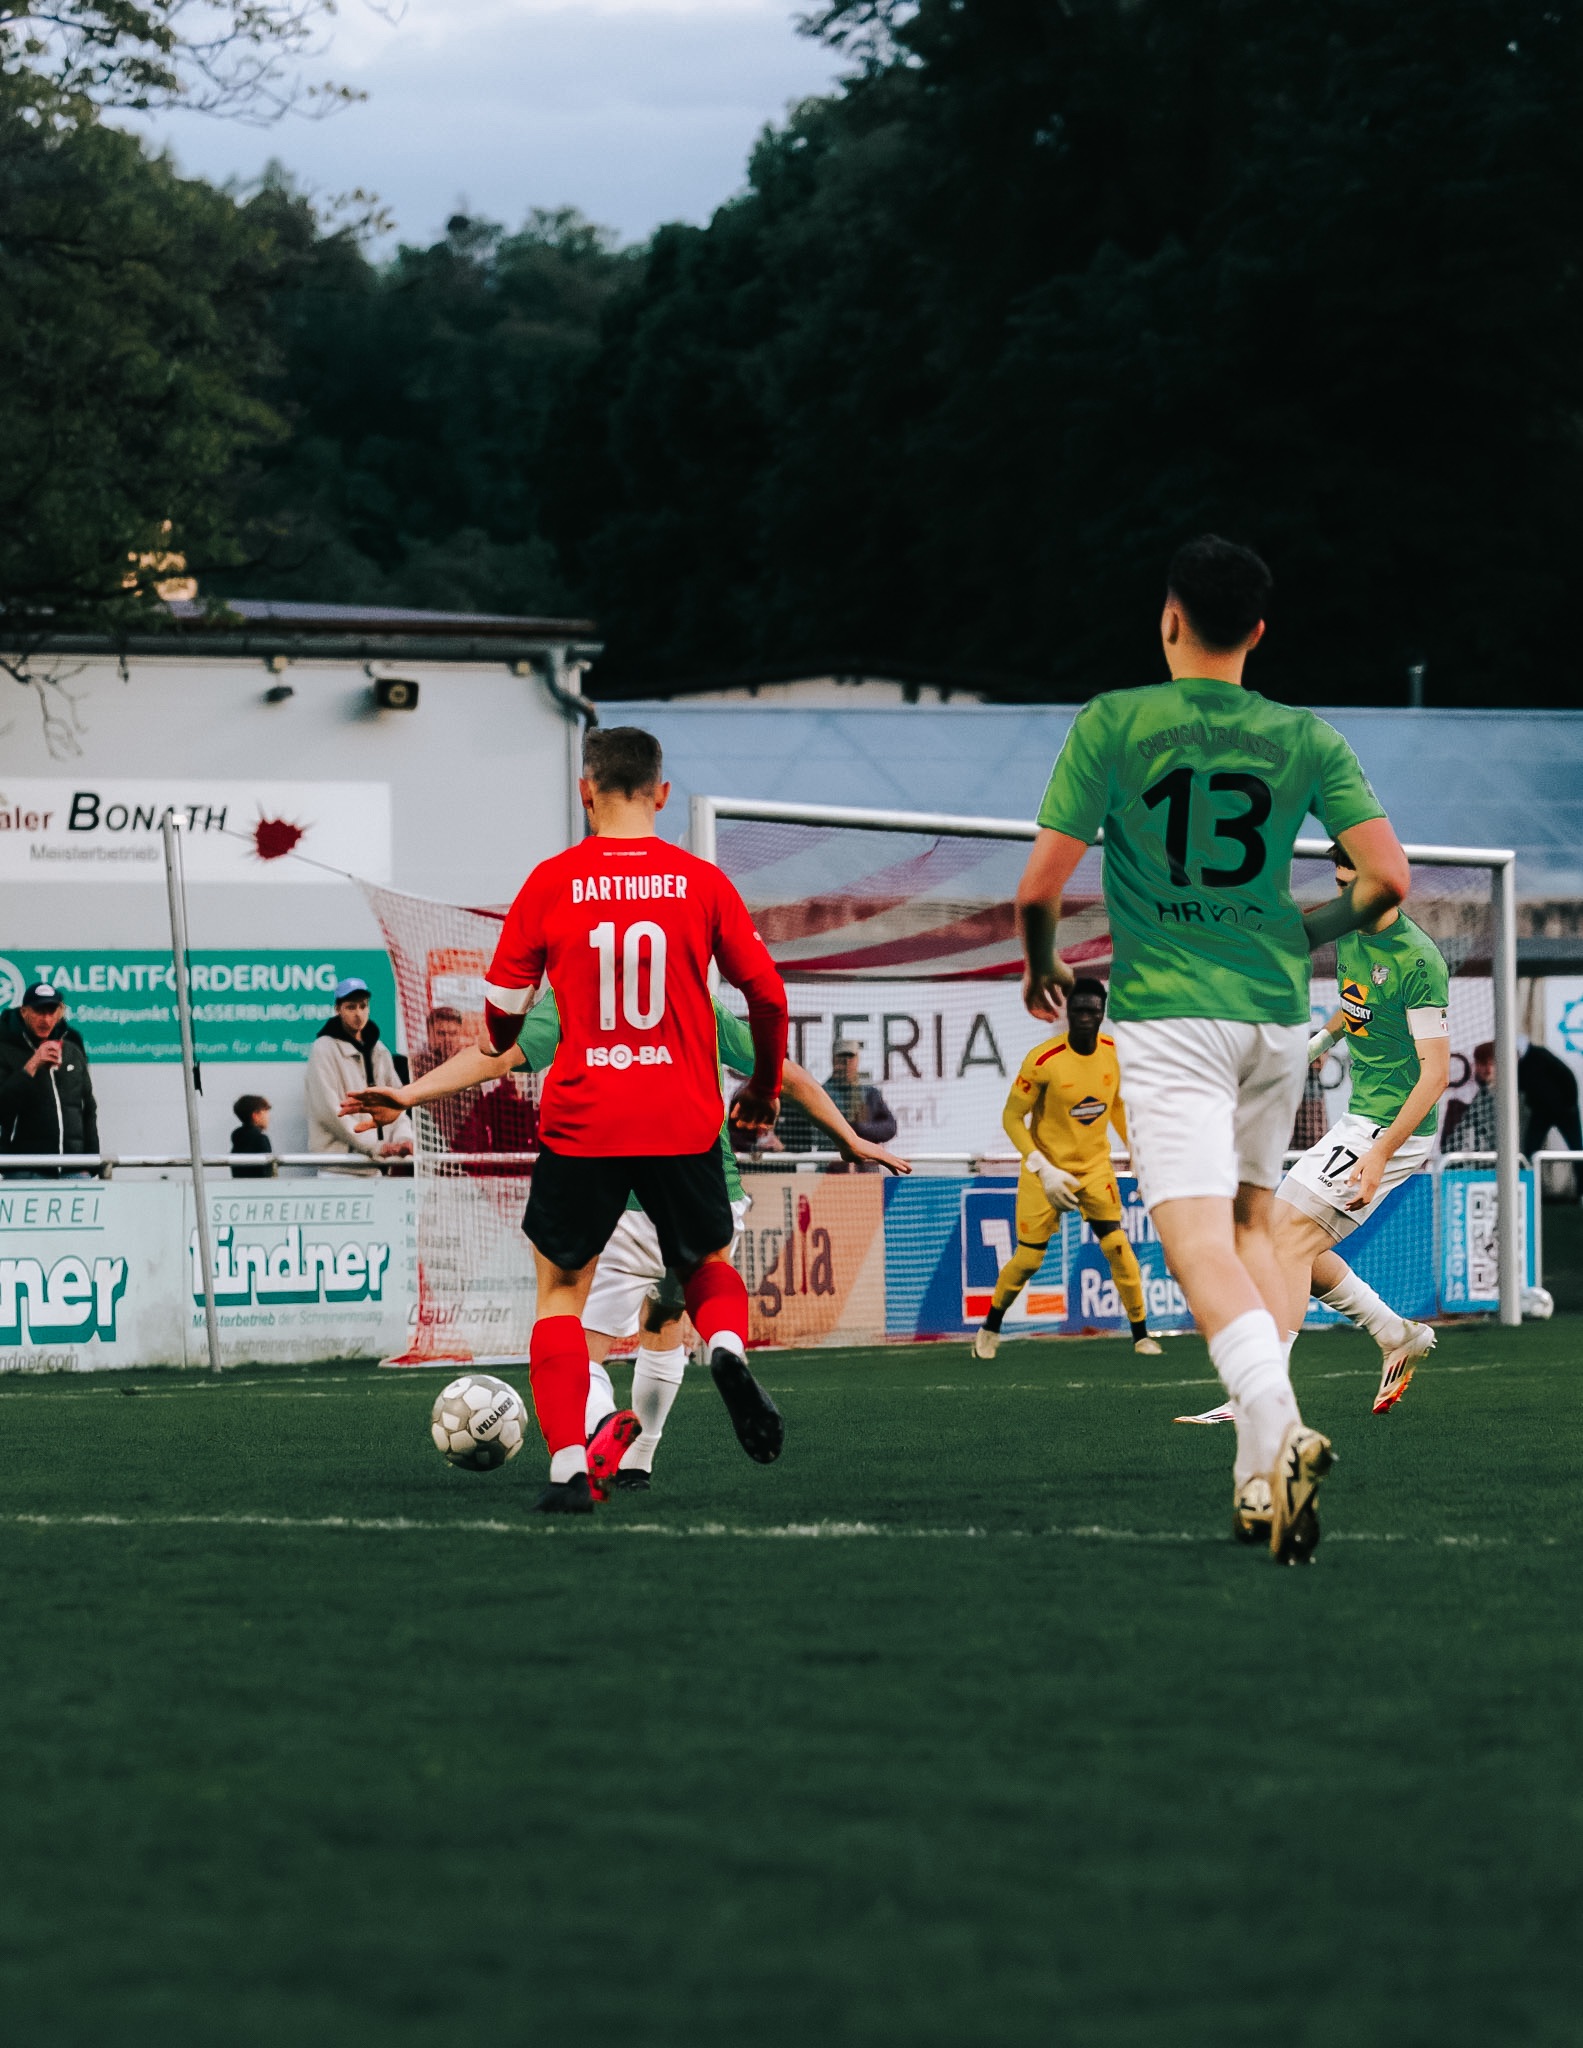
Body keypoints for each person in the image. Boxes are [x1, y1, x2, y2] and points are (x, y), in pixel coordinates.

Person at [1017, 534, 1410, 1563]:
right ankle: (1252, 1478)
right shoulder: (1303, 734)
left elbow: (1035, 890)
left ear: (1167, 618)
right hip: (1275, 1016)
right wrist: (1301, 932)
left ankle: (1276, 1427)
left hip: (1169, 1016)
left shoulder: (1114, 720)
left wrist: (1038, 963)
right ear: (1259, 632)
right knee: (1251, 1226)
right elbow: (1385, 881)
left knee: (1192, 1244)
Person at [351, 724, 789, 1514]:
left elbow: (500, 1014)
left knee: (559, 1294)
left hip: (585, 1119)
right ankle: (724, 1346)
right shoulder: (703, 883)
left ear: (584, 791)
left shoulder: (553, 881)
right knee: (705, 1265)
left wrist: (495, 1045)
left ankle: (564, 1467)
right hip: (682, 1118)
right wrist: (757, 1084)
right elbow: (767, 996)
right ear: (661, 794)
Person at [350, 990, 910, 1489]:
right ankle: (670, 1421)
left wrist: (410, 1093)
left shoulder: (572, 995)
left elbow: (497, 1053)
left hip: (618, 1196)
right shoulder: (695, 999)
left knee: (577, 1334)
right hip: (708, 1187)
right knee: (668, 1320)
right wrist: (850, 1137)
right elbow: (782, 1071)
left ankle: (595, 1432)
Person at [1271, 844, 1448, 1415]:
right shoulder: (1351, 932)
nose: (1343, 887)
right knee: (1288, 1234)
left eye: (1353, 877)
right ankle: (1394, 1332)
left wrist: (1379, 1156)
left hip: (1395, 1126)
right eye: (1340, 874)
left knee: (1287, 1239)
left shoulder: (1419, 959)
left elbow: (1437, 1075)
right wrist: (1317, 1047)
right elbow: (1355, 1007)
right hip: (1361, 1115)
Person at [972, 976, 1161, 1359]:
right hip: (1046, 1171)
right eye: (1078, 1011)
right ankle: (990, 1328)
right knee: (1027, 1260)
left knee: (1118, 1246)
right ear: (1067, 1014)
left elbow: (1119, 1106)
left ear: (1102, 1012)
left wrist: (1139, 1155)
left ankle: (1141, 1334)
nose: (1086, 1018)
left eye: (1093, 1011)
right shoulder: (1043, 1060)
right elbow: (1011, 1118)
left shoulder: (1114, 1053)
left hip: (1094, 1169)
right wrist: (1043, 1168)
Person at [305, 976, 415, 1163]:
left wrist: (403, 1139)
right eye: (351, 1007)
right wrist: (375, 1146)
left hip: (380, 1166)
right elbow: (330, 1111)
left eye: (363, 1006)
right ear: (337, 1009)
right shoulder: (323, 1049)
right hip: (340, 1167)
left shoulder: (379, 1050)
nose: (358, 1014)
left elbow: (398, 1101)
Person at [0, 981, 100, 1173]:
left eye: (51, 1012)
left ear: (60, 1012)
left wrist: (92, 1163)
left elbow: (87, 1108)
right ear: (24, 1012)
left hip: (74, 1172)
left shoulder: (72, 1050)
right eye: (39, 1012)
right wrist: (32, 1064)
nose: (46, 1019)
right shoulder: (5, 1049)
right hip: (25, 1170)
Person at [821, 1040, 897, 1171]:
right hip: (832, 1169)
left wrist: (861, 1128)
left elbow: (890, 1127)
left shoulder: (869, 1092)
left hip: (866, 1169)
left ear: (857, 1060)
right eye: (842, 1057)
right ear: (833, 1060)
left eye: (850, 1057)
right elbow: (816, 1135)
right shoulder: (822, 1094)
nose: (846, 1062)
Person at [1442, 1041, 1497, 1157]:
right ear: (1476, 1064)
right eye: (1484, 1063)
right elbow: (1448, 1140)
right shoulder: (1462, 1098)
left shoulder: (1511, 1096)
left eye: (1492, 1064)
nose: (1488, 1069)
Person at [229, 1094, 274, 1179]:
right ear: (255, 1116)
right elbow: (267, 1172)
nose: (268, 1117)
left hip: (241, 1189)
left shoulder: (238, 1139)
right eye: (265, 1112)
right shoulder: (260, 1139)